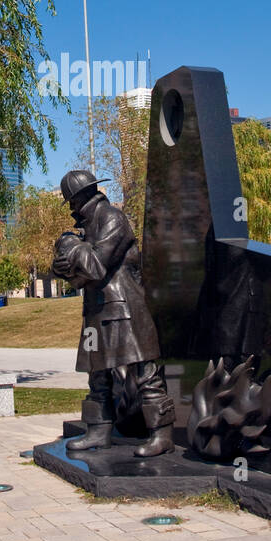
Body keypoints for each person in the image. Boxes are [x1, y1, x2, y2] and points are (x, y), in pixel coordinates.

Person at [51, 170, 175, 458]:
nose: (70, 208)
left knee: (146, 373)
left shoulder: (111, 218)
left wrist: (71, 249)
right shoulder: (86, 225)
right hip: (97, 309)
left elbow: (94, 266)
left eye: (71, 201)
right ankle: (98, 430)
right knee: (97, 376)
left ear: (82, 197)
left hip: (125, 308)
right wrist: (69, 256)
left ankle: (162, 434)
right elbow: (69, 273)